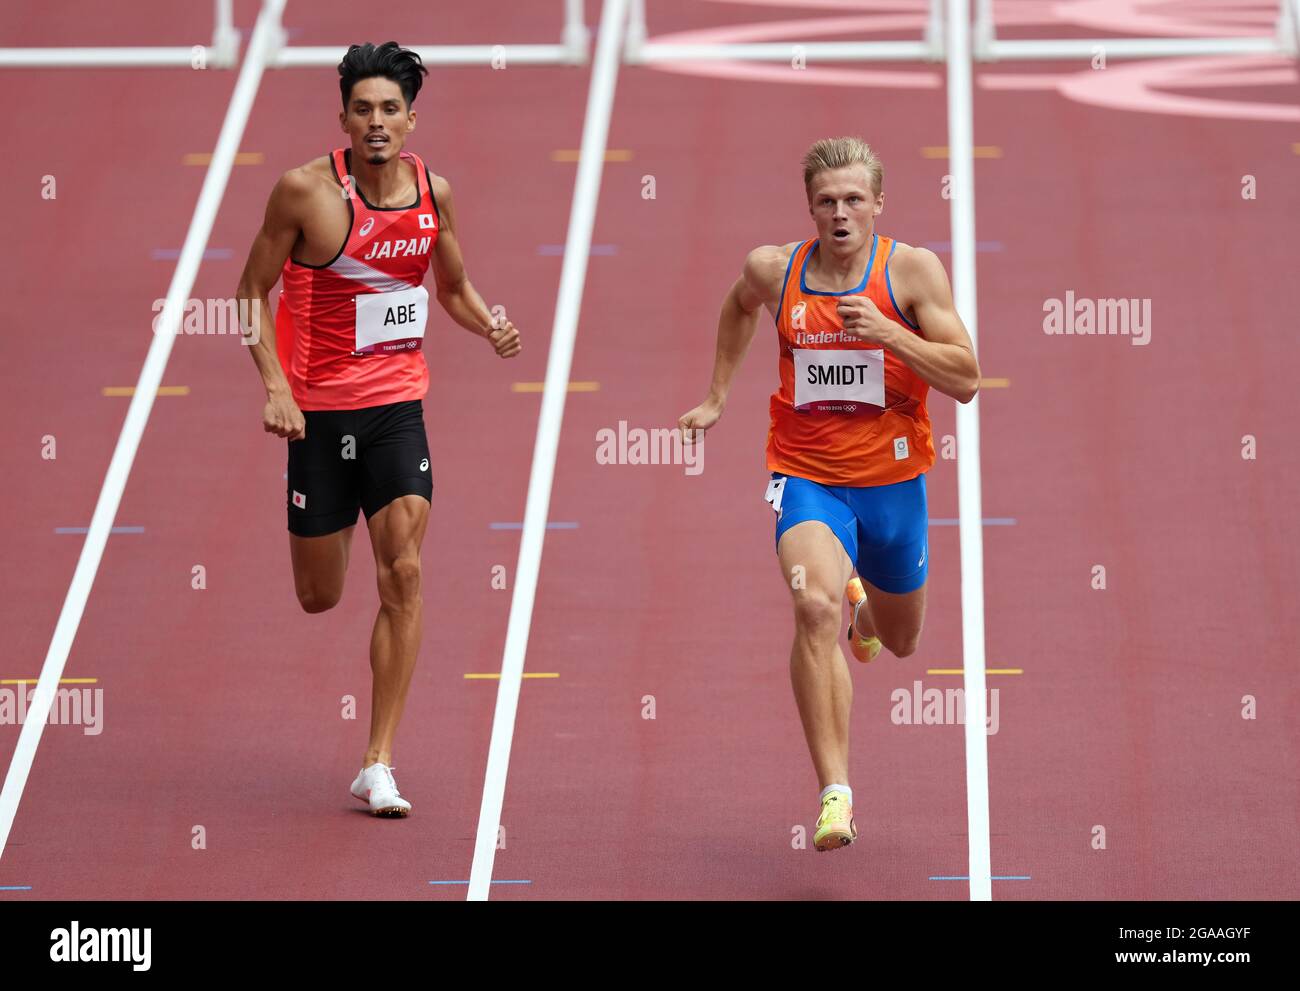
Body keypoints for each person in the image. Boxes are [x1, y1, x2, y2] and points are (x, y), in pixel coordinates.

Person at [236, 41, 521, 817]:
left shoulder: (436, 192)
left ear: (410, 118)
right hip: (319, 418)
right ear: (343, 119)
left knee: (404, 571)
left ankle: (377, 761)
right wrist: (275, 387)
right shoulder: (304, 193)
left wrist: (487, 323)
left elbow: (453, 287)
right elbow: (248, 292)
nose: (376, 122)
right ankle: (334, 519)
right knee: (319, 595)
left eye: (390, 109)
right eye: (362, 109)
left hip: (397, 409)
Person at [678, 137, 980, 851]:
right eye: (826, 201)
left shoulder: (911, 273)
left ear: (878, 203)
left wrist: (888, 334)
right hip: (806, 474)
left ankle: (869, 614)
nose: (840, 213)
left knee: (902, 642)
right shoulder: (775, 269)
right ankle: (835, 792)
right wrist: (717, 394)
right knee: (812, 602)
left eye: (853, 200)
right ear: (809, 207)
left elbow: (966, 377)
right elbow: (738, 304)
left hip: (893, 482)